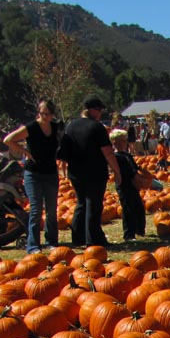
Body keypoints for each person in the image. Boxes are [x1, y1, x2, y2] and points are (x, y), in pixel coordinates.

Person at [61, 96, 122, 248]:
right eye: (99, 110)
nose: (100, 113)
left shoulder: (70, 126)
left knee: (81, 203)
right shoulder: (96, 127)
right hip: (95, 171)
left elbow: (64, 150)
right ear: (90, 110)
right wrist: (117, 171)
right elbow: (108, 152)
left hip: (75, 171)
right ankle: (94, 239)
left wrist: (64, 169)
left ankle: (78, 237)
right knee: (93, 205)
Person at [5, 99, 62, 253]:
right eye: (42, 113)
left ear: (52, 114)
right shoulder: (31, 128)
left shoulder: (55, 127)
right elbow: (8, 140)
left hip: (50, 172)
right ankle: (33, 245)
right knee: (36, 209)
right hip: (33, 173)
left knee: (51, 210)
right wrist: (25, 152)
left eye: (48, 114)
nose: (45, 117)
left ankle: (51, 241)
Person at [109, 129, 149, 242]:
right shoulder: (115, 156)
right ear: (115, 142)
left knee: (139, 207)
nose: (124, 143)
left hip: (133, 184)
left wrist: (143, 176)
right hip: (124, 184)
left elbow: (134, 168)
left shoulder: (127, 155)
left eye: (125, 140)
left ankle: (140, 230)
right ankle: (129, 234)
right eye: (122, 141)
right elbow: (123, 171)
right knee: (128, 209)